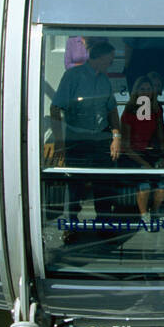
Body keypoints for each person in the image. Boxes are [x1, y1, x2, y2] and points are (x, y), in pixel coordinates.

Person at [50, 40, 121, 220]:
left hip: (101, 137)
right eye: (110, 59)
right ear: (99, 58)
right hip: (77, 138)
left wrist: (116, 137)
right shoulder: (73, 76)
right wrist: (59, 141)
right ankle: (70, 223)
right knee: (75, 183)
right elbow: (55, 108)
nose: (112, 63)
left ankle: (104, 221)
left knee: (103, 183)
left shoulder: (105, 80)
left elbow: (112, 110)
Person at [121, 75, 164, 222]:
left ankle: (154, 212)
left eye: (148, 89)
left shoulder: (155, 110)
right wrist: (145, 164)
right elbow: (126, 146)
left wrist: (163, 156)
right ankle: (144, 216)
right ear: (136, 91)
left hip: (150, 154)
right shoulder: (129, 112)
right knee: (145, 184)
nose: (146, 92)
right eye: (142, 89)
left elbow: (160, 136)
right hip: (132, 156)